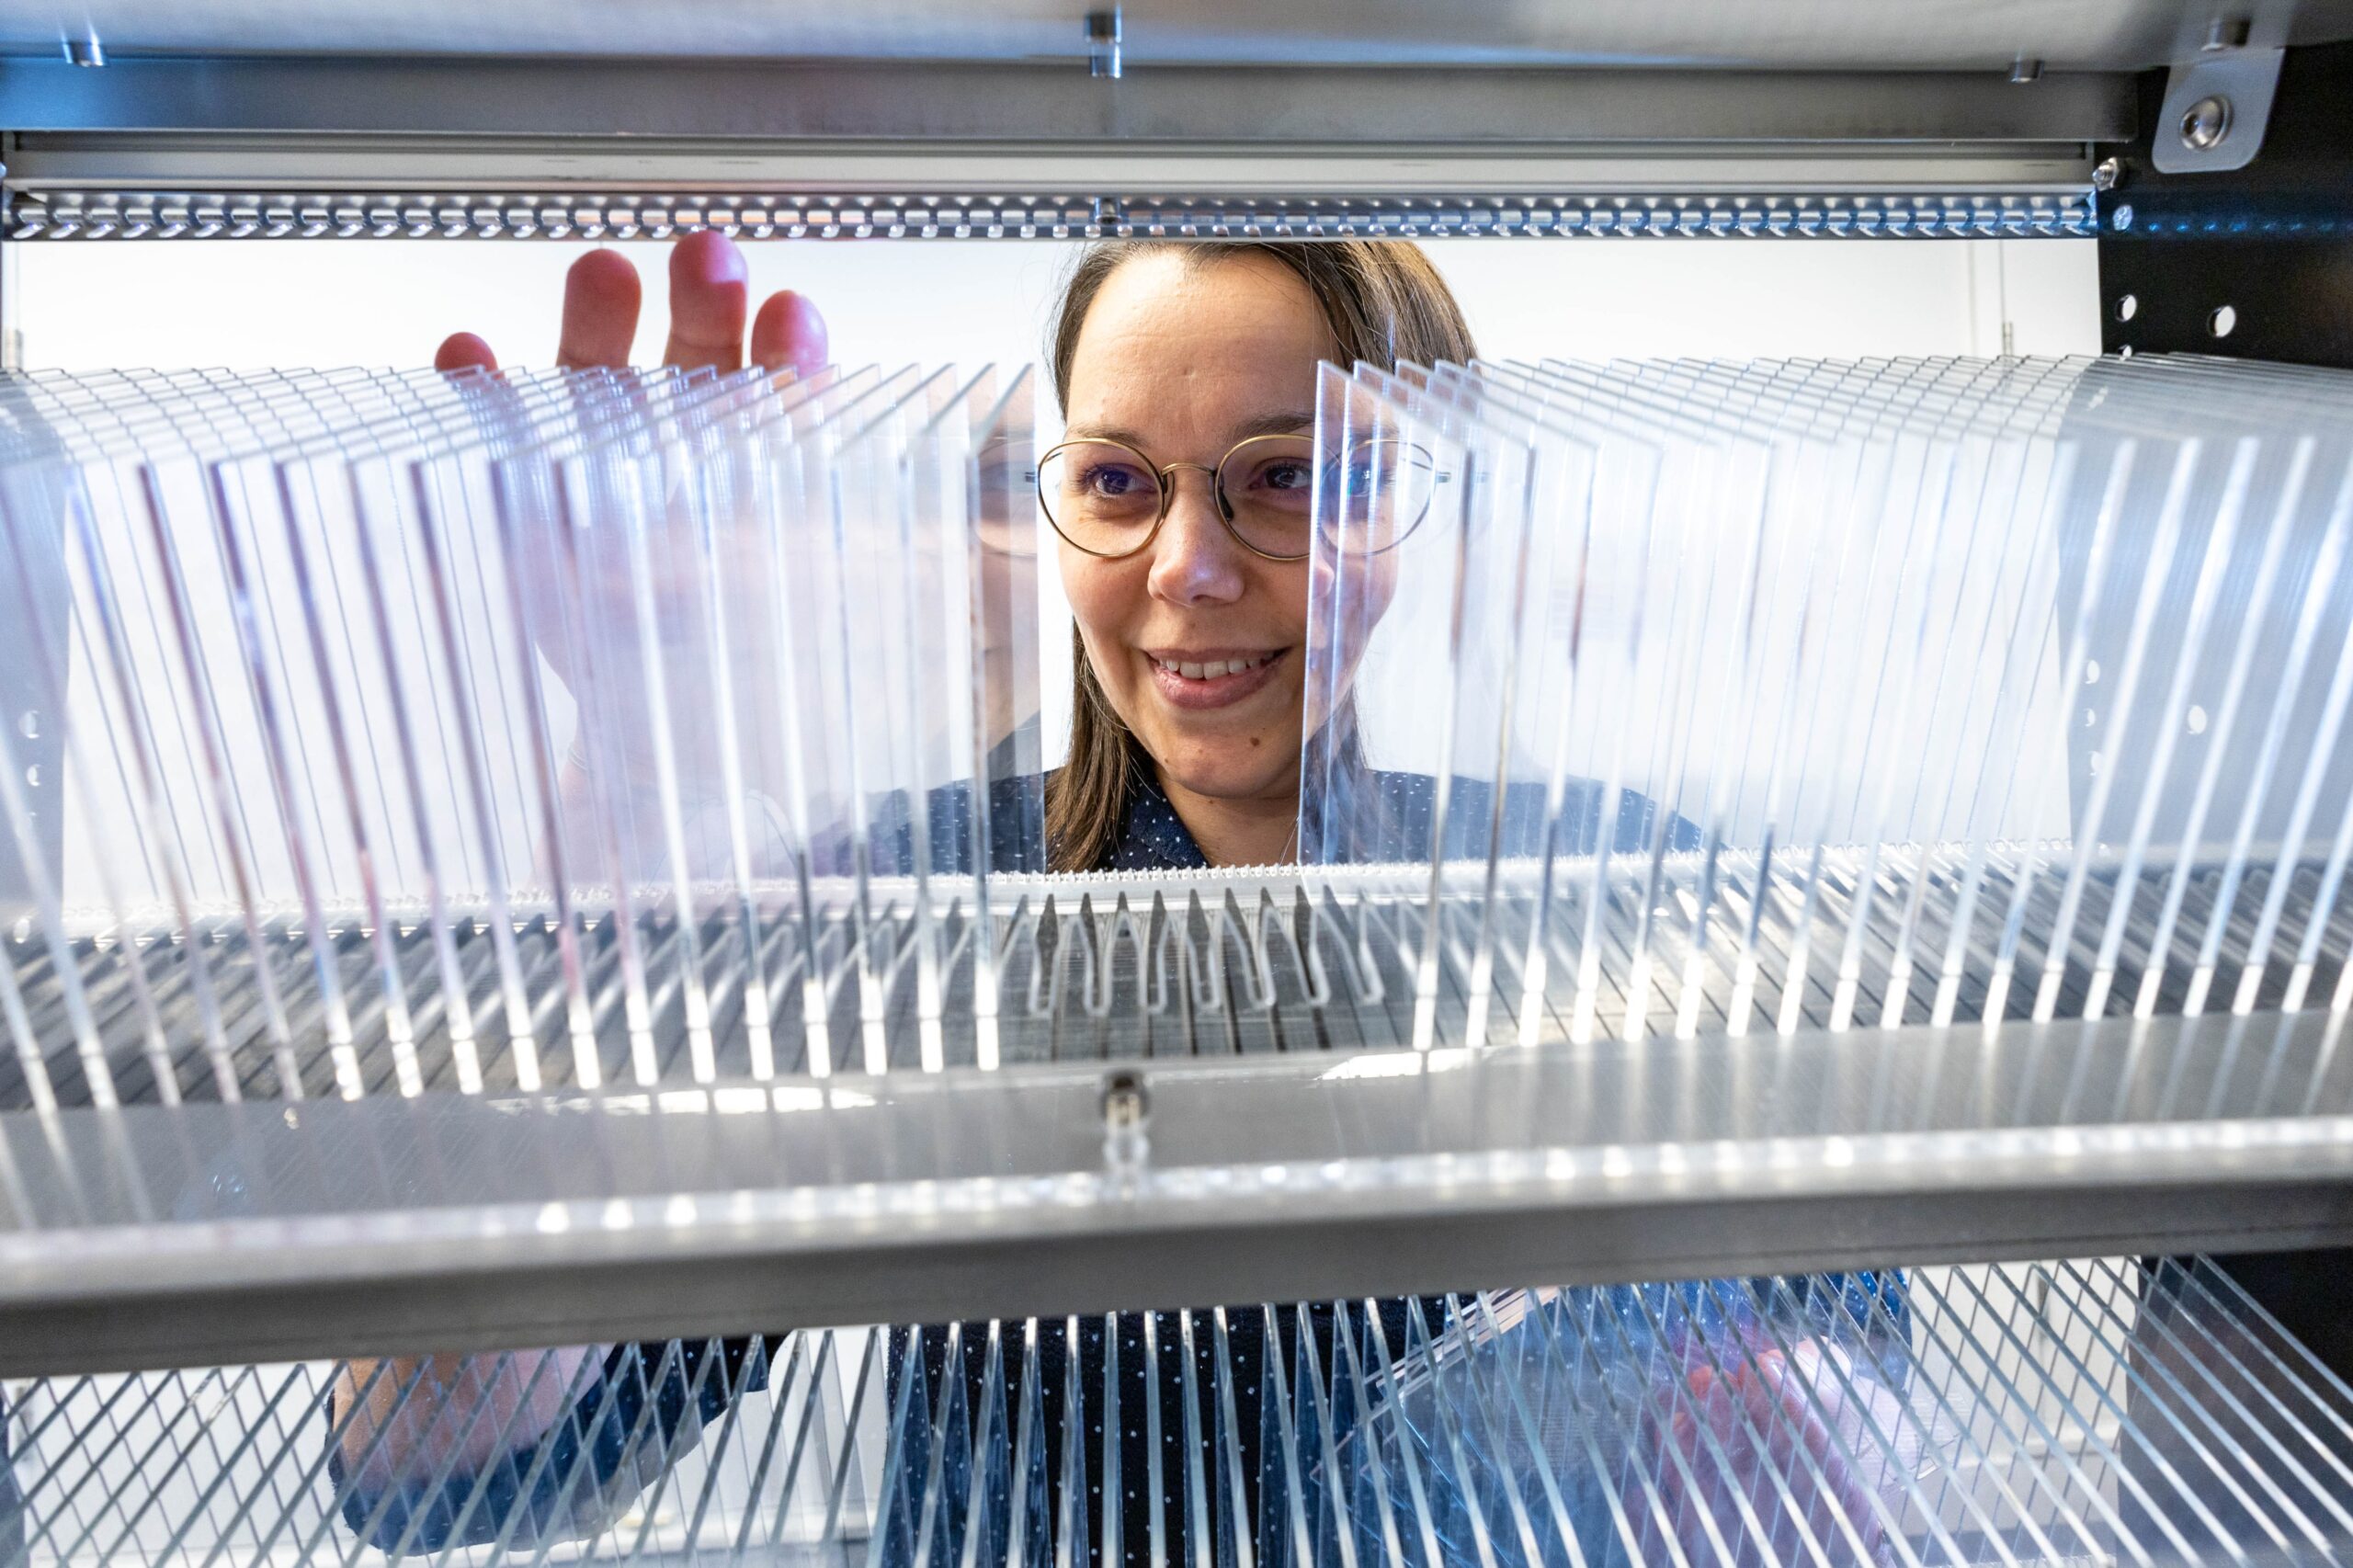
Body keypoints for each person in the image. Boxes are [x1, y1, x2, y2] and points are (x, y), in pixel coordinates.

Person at [327, 232, 1909, 1565]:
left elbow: (1832, 1383)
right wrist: (548, 1080)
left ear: (1419, 494)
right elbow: (451, 1472)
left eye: (1281, 476)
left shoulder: (1622, 889)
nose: (1185, 567)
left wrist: (1778, 1402)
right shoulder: (919, 891)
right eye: (1117, 479)